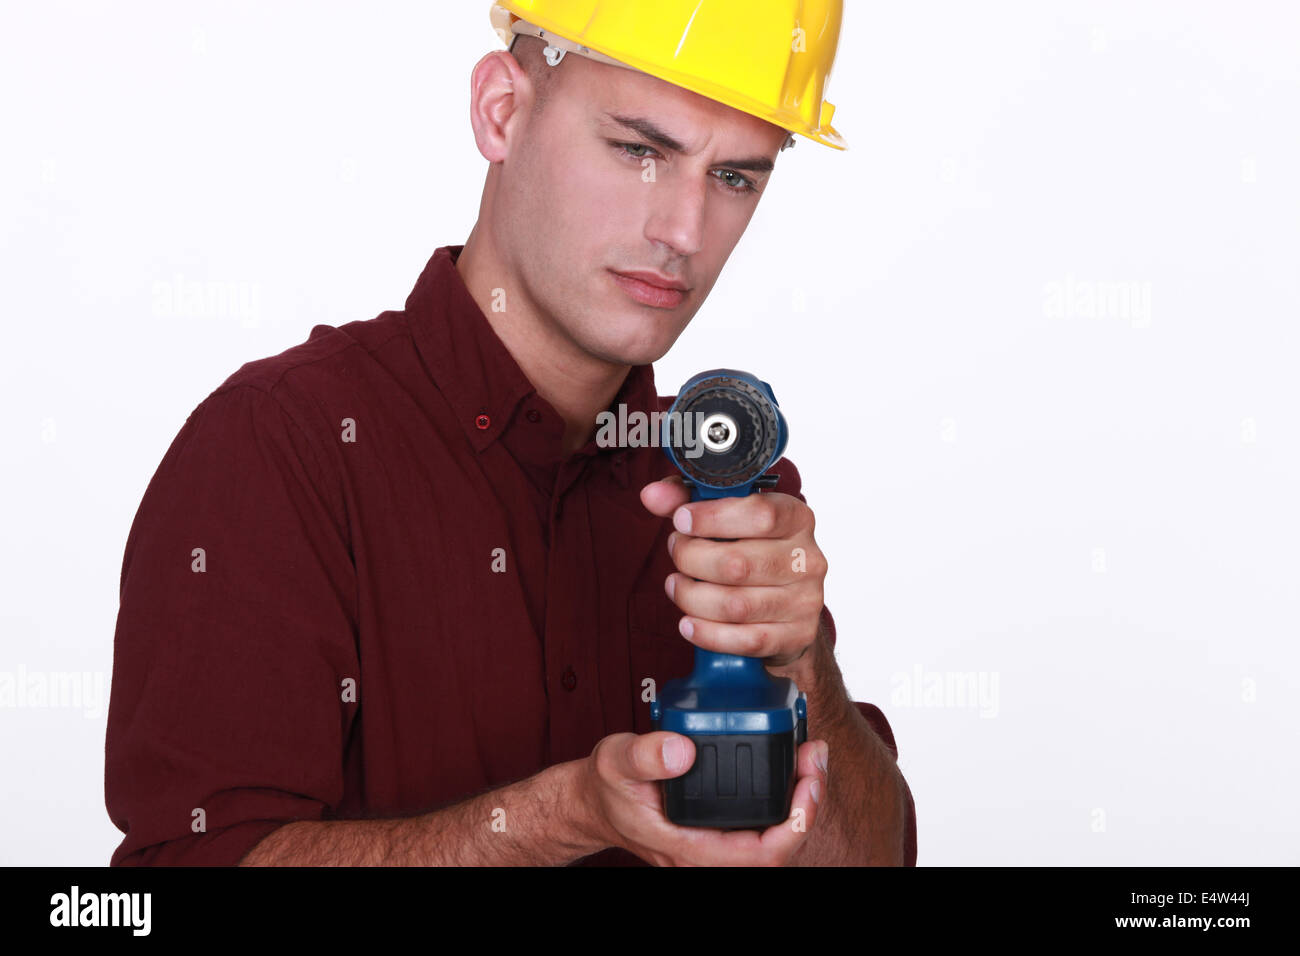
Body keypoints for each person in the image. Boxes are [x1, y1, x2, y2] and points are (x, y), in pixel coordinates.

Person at [105, 0, 917, 866]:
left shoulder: (732, 491)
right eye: (640, 150)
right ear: (502, 110)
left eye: (734, 178)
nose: (682, 232)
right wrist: (563, 816)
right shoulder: (282, 448)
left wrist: (801, 669)